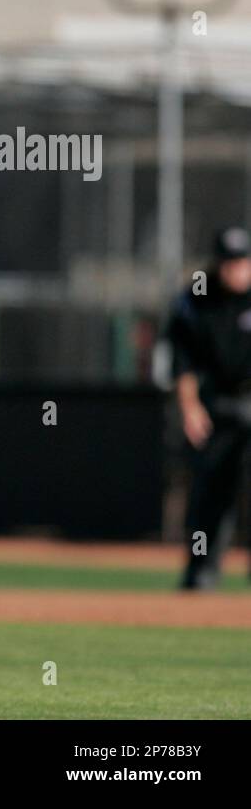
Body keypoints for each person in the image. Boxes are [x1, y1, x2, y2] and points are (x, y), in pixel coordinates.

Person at [165, 226, 251, 590]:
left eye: (242, 261)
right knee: (211, 490)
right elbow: (182, 362)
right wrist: (190, 407)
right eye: (228, 262)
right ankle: (202, 571)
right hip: (217, 403)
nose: (235, 269)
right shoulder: (198, 297)